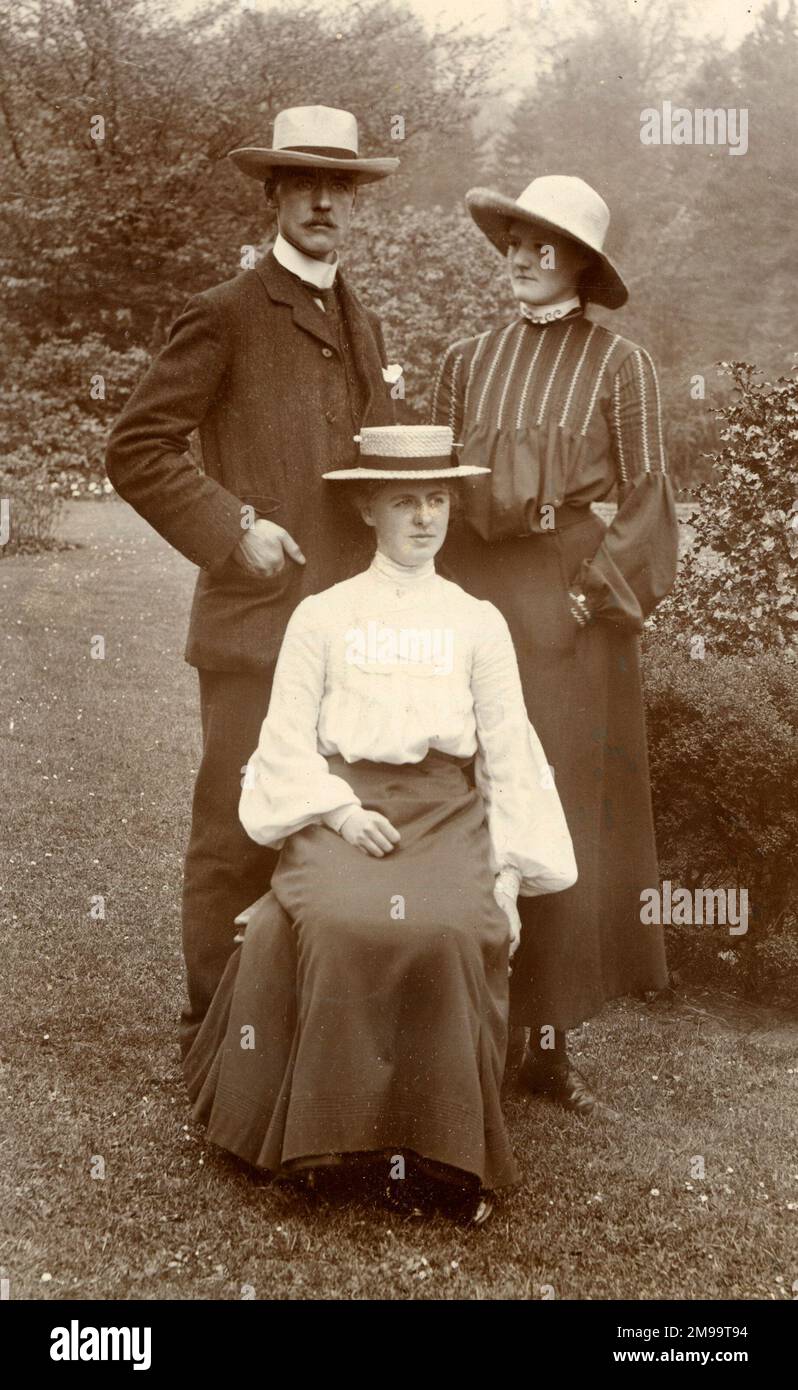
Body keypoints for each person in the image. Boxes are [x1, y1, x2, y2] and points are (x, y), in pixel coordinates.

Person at [183, 424, 577, 1223]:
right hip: (341, 809)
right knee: (340, 922)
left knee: (451, 929)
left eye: (437, 499)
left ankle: (444, 1157)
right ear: (368, 508)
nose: (425, 518)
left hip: (444, 814)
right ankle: (331, 1144)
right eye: (405, 501)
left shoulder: (478, 622)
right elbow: (285, 739)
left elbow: (507, 748)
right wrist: (338, 809)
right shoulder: (323, 617)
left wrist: (507, 874)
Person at [105, 106, 399, 1056]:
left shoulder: (364, 319)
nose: (323, 200)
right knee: (238, 822)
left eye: (339, 185)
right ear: (273, 195)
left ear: (352, 200)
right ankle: (214, 1025)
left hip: (352, 626)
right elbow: (137, 448)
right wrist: (236, 529)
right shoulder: (226, 310)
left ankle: (307, 1016)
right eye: (304, 183)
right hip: (256, 626)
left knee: (330, 814)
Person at [431, 176, 680, 1115]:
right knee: (467, 786)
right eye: (513, 242)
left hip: (568, 605)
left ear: (581, 261)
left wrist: (587, 597)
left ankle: (546, 1042)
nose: (523, 258)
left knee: (558, 806)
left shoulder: (623, 366)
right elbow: (437, 489)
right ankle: (468, 1026)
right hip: (472, 587)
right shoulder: (463, 359)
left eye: (544, 245)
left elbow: (652, 500)